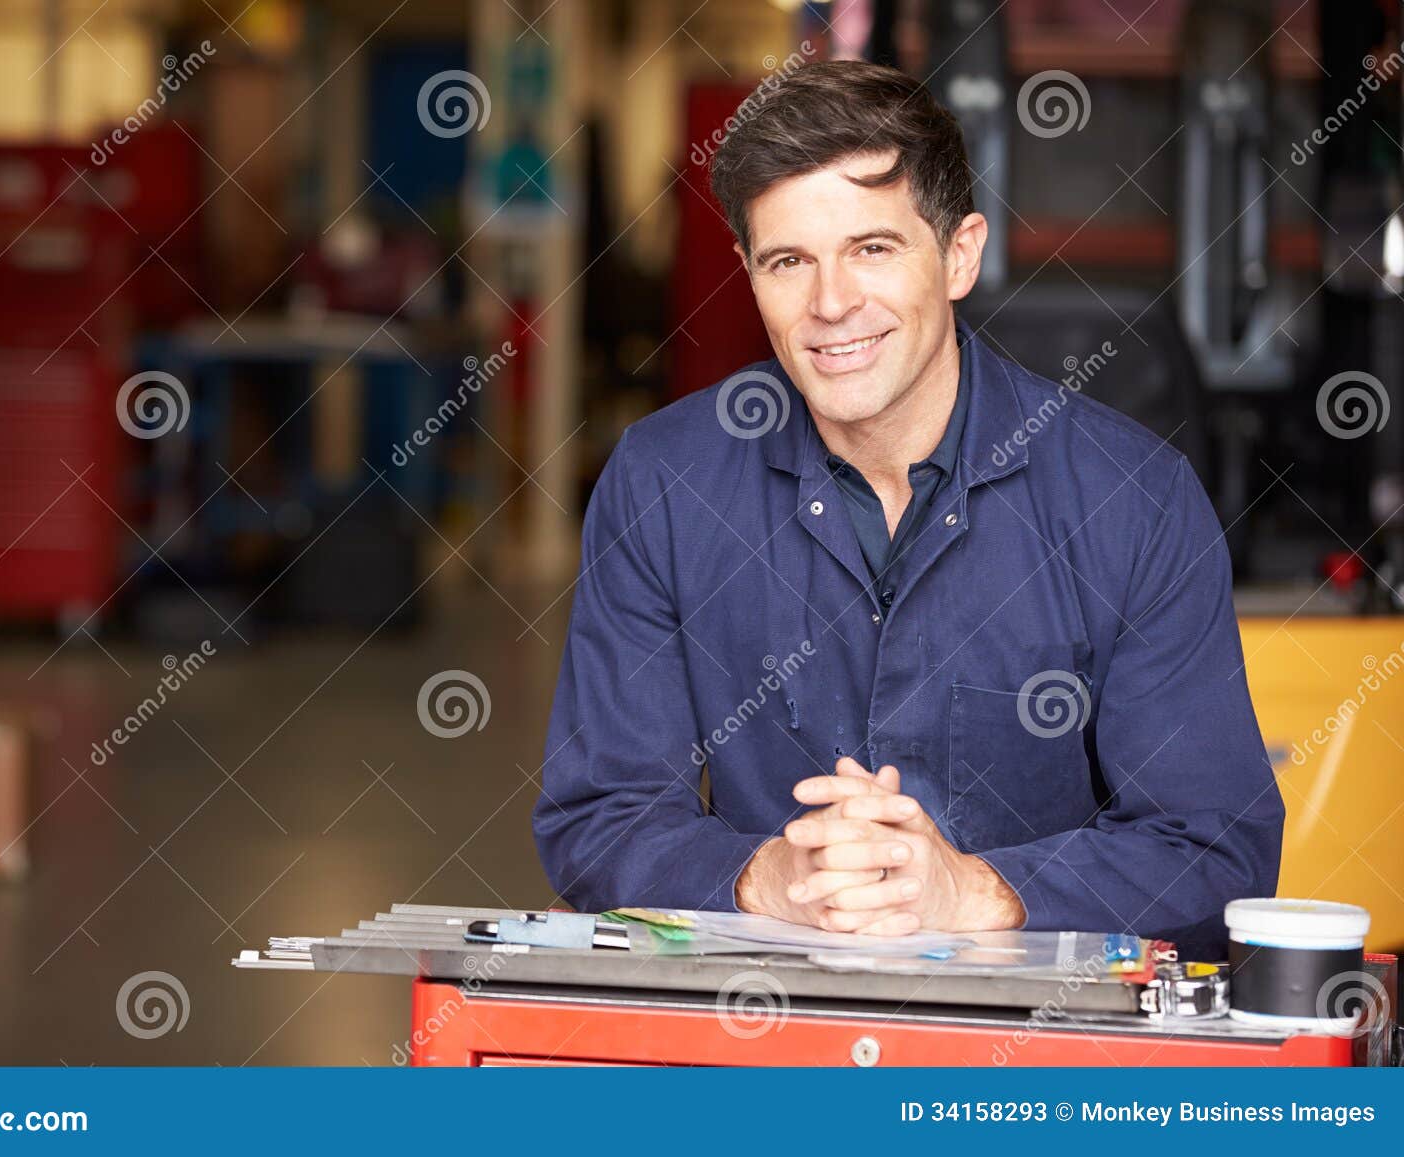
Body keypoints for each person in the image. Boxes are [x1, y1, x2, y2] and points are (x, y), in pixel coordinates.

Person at [532, 60, 1281, 956]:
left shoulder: (1135, 502)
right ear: (748, 271)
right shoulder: (665, 483)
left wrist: (974, 890)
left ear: (960, 253)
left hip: (1027, 1067)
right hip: (760, 1043)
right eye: (789, 261)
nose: (832, 303)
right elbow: (597, 815)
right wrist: (764, 876)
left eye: (872, 249)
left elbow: (1215, 845)